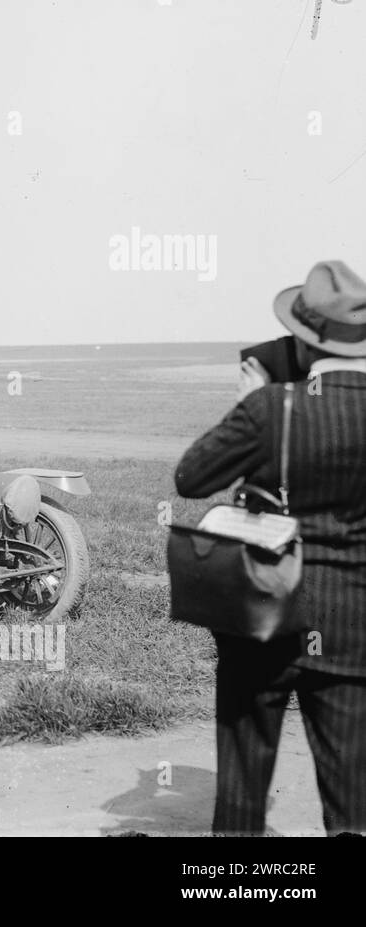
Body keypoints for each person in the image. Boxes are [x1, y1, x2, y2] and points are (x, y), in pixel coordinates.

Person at [175, 259, 366, 835]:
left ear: (303, 342)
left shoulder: (270, 409)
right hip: (353, 625)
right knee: (354, 798)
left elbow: (191, 477)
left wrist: (252, 403)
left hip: (263, 614)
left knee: (241, 791)